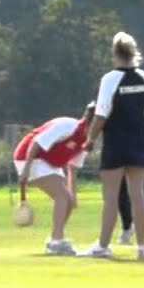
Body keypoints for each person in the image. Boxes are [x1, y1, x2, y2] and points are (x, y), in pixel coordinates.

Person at [81, 32, 144, 260]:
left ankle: (104, 245)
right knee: (138, 195)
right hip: (139, 140)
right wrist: (139, 121)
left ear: (115, 53)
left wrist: (90, 139)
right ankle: (142, 246)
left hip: (116, 141)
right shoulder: (143, 77)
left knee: (111, 196)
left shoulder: (110, 79)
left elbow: (101, 114)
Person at [13, 103, 96, 255]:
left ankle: (55, 239)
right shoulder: (67, 126)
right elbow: (36, 142)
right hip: (28, 157)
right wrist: (25, 170)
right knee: (62, 195)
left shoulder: (87, 140)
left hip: (49, 163)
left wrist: (74, 196)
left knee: (68, 200)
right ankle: (56, 242)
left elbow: (72, 167)